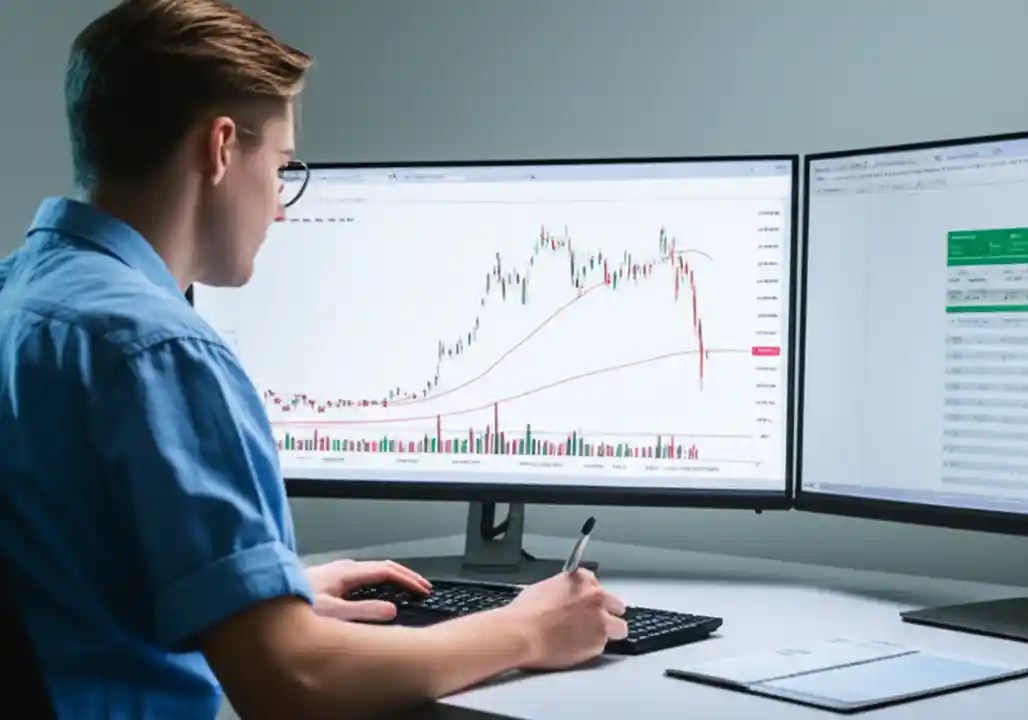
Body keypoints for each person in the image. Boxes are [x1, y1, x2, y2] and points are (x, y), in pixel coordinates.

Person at [0, 0, 628, 718]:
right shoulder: (161, 350)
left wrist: (261, 596)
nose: (280, 207)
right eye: (282, 167)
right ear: (220, 146)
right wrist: (525, 629)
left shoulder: (22, 296)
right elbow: (290, 684)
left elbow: (64, 576)